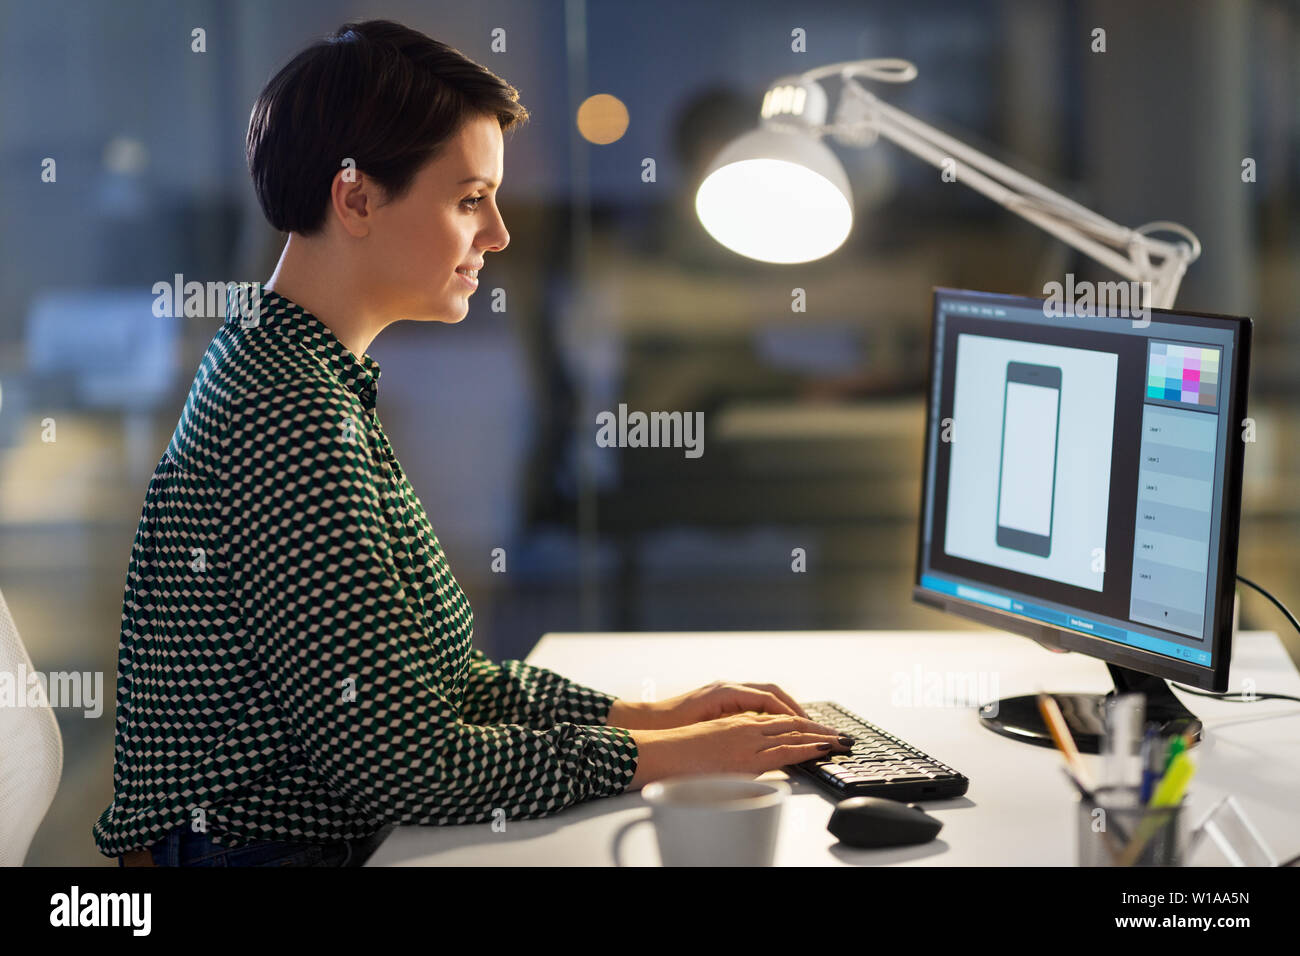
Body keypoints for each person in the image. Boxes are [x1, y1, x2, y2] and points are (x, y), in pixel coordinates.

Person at [94, 19, 851, 867]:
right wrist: (664, 761)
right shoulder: (290, 414)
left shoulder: (293, 367)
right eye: (467, 199)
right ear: (355, 199)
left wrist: (653, 717)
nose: (498, 233)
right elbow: (409, 768)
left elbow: (434, 692)